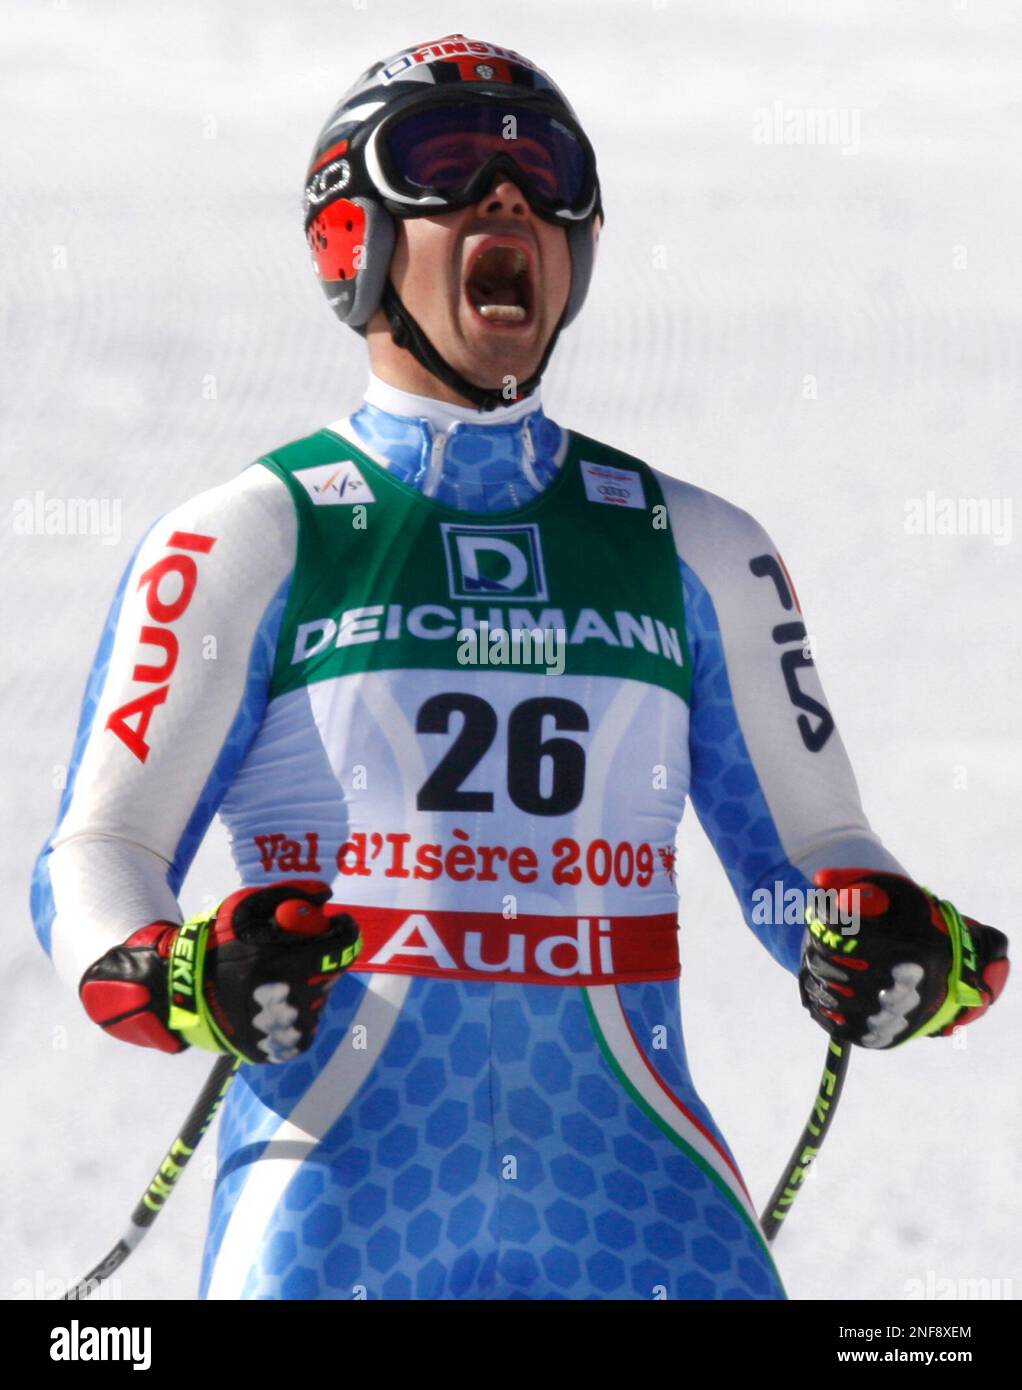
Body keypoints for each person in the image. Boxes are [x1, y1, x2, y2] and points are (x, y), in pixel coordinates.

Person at [32, 32, 1008, 1301]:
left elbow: (816, 859)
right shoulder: (252, 534)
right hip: (336, 1189)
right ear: (355, 236)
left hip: (635, 1192)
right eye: (446, 161)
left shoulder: (698, 548)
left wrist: (889, 947)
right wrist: (173, 972)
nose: (509, 198)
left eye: (543, 171)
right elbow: (96, 854)